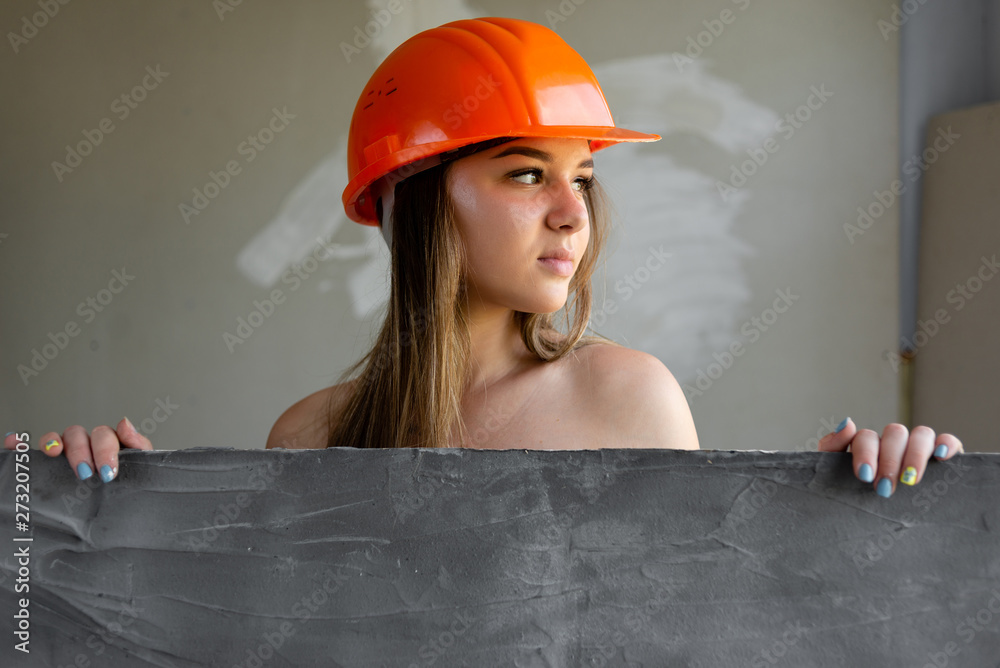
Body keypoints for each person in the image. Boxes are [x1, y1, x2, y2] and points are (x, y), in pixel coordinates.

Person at [5, 17, 962, 499]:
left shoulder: (629, 398)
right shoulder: (308, 440)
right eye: (522, 174)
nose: (569, 213)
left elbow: (691, 622)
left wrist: (878, 500)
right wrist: (103, 509)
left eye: (581, 178)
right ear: (419, 201)